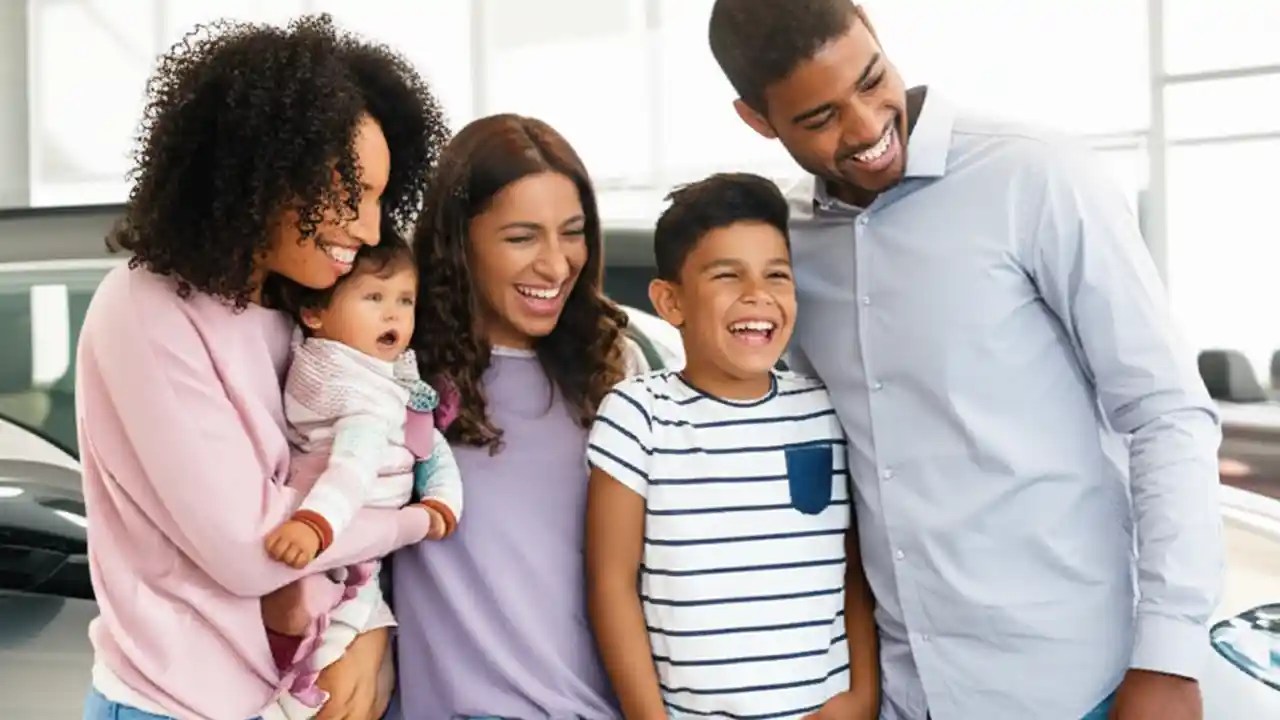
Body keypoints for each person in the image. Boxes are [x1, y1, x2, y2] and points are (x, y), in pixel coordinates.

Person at [706, 2, 1223, 719]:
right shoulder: (789, 248)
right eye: (820, 118)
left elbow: (1167, 412)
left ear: (873, 28)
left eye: (871, 79)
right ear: (757, 120)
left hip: (1073, 688)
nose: (865, 129)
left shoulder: (1034, 176)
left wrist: (1169, 658)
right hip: (901, 692)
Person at [75, 14, 449, 720]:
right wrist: (412, 524)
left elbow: (353, 474)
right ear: (268, 174)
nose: (371, 231)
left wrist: (366, 629)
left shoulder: (296, 309)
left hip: (284, 697)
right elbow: (253, 550)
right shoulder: (145, 309)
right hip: (172, 707)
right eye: (351, 195)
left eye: (378, 199)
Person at [584, 172, 879, 720]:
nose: (758, 296)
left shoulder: (824, 408)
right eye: (727, 275)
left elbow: (853, 570)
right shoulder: (638, 416)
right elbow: (611, 585)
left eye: (777, 275)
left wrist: (860, 697)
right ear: (670, 301)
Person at [388, 113, 644, 719]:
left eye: (572, 232)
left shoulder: (617, 369)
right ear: (460, 239)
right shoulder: (402, 374)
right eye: (522, 237)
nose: (556, 266)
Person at [260, 232, 463, 717]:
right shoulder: (351, 391)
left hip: (363, 564)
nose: (393, 314)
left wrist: (443, 502)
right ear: (315, 314)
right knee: (331, 691)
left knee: (366, 692)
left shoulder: (388, 382)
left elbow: (431, 449)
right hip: (329, 554)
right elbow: (350, 469)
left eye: (404, 301)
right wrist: (315, 524)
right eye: (373, 297)